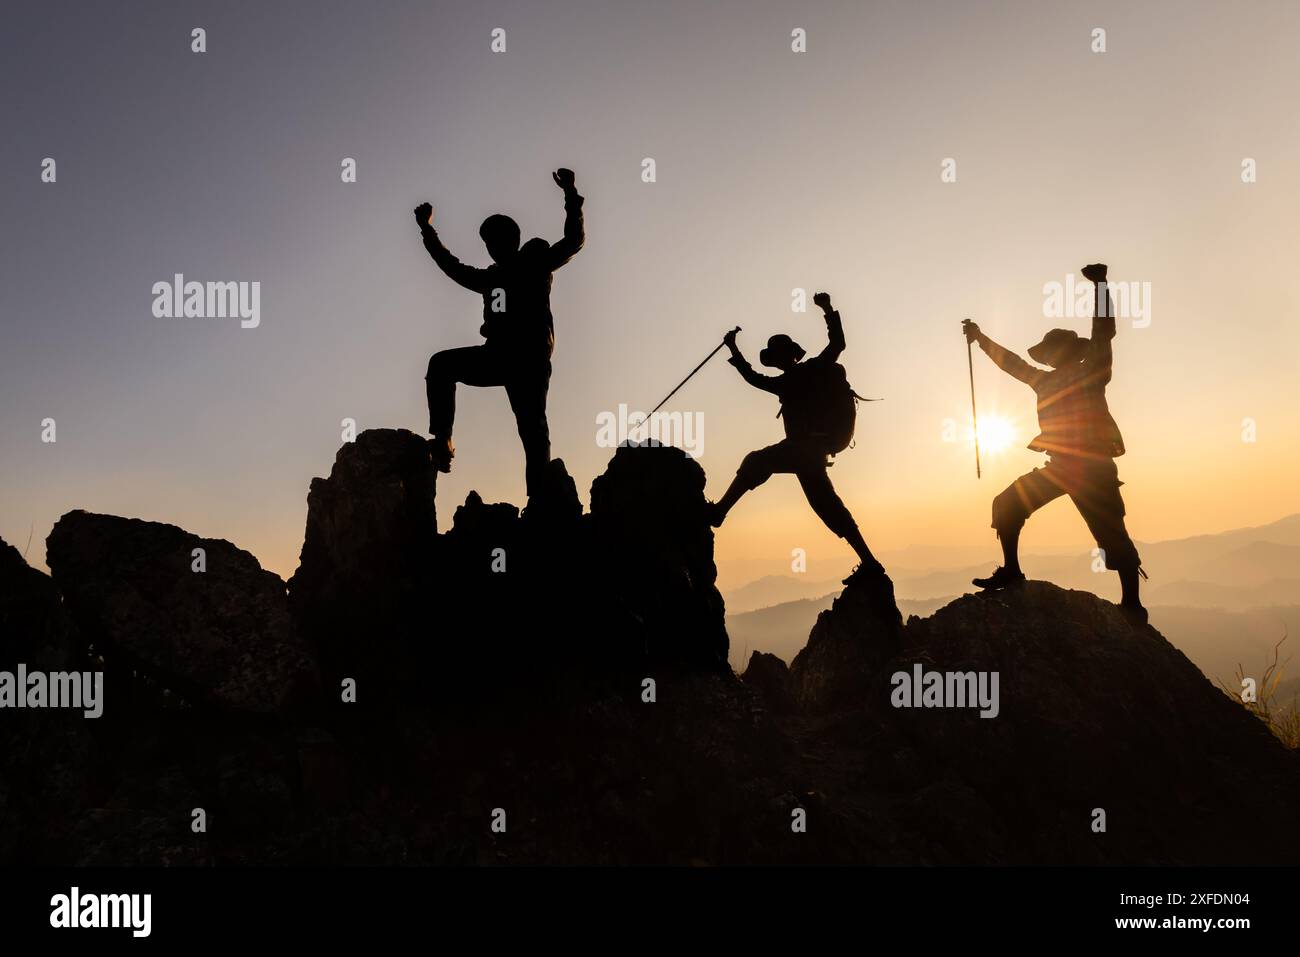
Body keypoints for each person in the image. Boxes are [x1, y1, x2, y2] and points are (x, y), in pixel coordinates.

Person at [962, 262, 1147, 622]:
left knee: (1113, 535)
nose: (1048, 357)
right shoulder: (1050, 379)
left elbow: (1103, 331)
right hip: (1068, 467)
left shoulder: (1091, 370)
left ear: (1063, 353)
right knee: (1008, 504)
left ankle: (1133, 604)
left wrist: (1101, 287)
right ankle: (1013, 572)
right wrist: (981, 339)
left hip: (1090, 468)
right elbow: (1011, 362)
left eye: (1051, 351)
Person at [412, 168, 584, 497]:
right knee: (442, 366)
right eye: (488, 243)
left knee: (533, 431)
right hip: (500, 356)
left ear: (510, 241)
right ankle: (443, 438)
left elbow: (573, 241)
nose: (491, 249)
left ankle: (539, 501)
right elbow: (452, 267)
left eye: (494, 242)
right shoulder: (491, 278)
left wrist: (571, 196)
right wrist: (427, 230)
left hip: (528, 359)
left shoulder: (536, 261)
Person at [710, 292, 885, 584]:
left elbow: (754, 378)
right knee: (827, 506)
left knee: (757, 462)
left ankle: (719, 512)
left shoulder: (798, 376)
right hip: (812, 453)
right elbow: (837, 344)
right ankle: (870, 562)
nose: (777, 361)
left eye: (778, 356)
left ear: (784, 357)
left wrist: (828, 309)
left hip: (805, 451)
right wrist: (827, 310)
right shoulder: (805, 373)